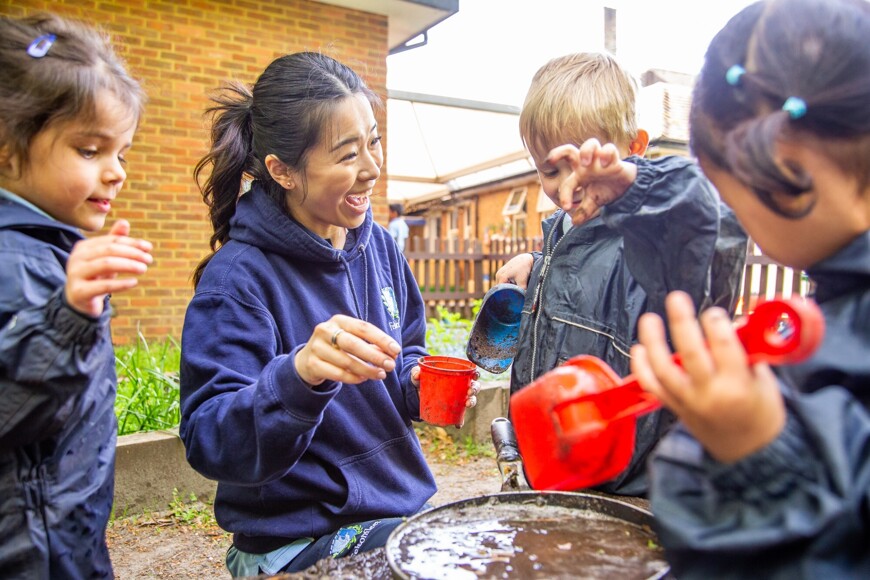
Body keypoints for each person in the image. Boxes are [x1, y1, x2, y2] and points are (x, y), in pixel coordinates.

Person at [179, 52, 476, 577]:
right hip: (294, 537)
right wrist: (301, 375)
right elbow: (209, 439)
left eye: (374, 141)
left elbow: (405, 353)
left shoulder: (379, 246)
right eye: (345, 155)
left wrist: (416, 380)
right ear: (283, 171)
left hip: (393, 509)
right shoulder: (237, 282)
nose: (371, 168)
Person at [629, 0, 870, 576]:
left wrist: (757, 454)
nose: (728, 212)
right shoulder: (843, 301)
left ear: (785, 165)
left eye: (725, 192)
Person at [496, 52, 748, 496]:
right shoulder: (559, 234)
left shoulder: (655, 242)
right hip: (553, 468)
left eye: (582, 165)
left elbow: (708, 214)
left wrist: (636, 183)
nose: (566, 185)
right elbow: (580, 282)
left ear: (635, 147)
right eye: (549, 170)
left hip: (629, 486)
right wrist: (538, 265)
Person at [0, 13, 151, 578]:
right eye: (90, 150)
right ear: (6, 148)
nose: (115, 173)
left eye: (122, 153)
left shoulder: (49, 252)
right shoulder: (14, 261)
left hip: (62, 532)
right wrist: (66, 317)